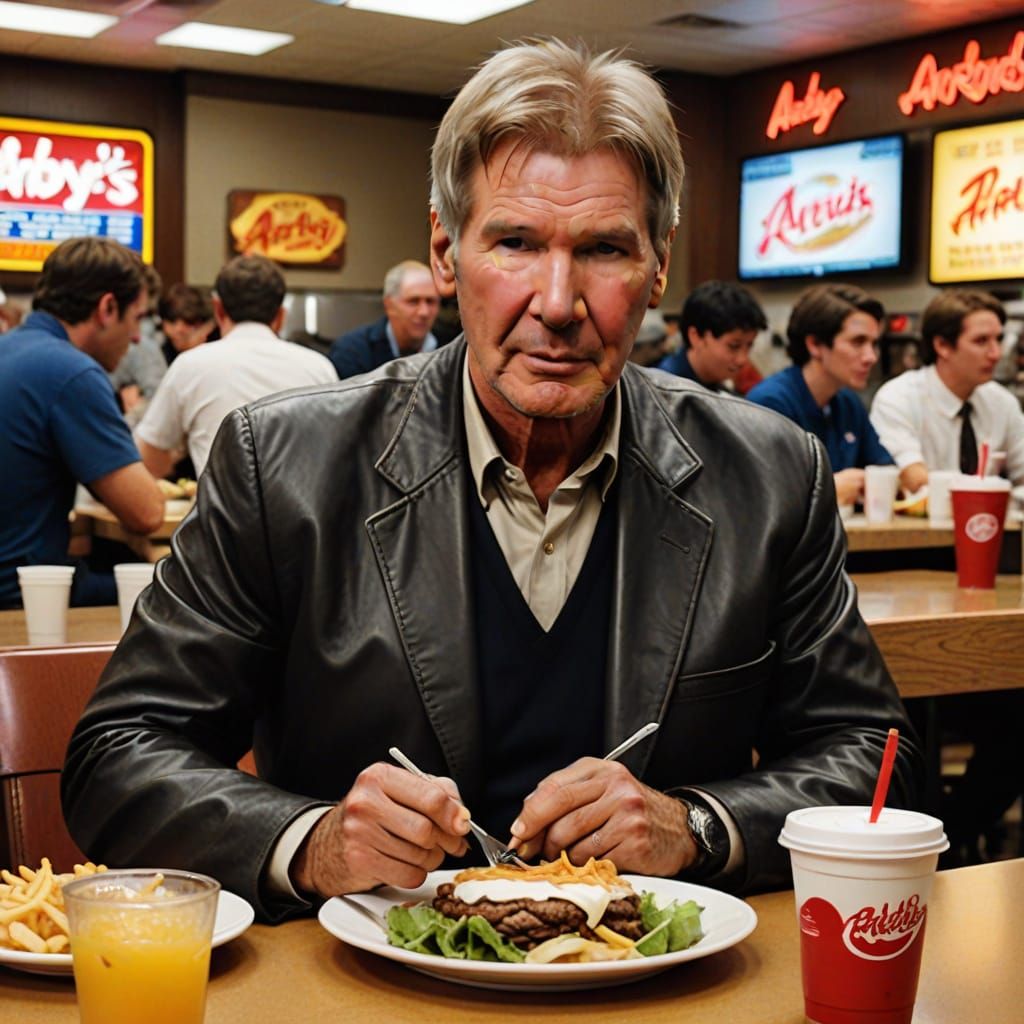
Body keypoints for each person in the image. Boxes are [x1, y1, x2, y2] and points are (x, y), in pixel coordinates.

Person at [63, 40, 921, 923]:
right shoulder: (284, 465)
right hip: (358, 996)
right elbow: (119, 756)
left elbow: (870, 753)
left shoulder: (770, 473)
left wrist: (697, 824)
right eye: (514, 241)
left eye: (603, 250)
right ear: (445, 251)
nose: (556, 300)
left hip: (664, 993)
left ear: (658, 264)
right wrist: (315, 840)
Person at [0, 237, 165, 608]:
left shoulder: (11, 349)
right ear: (107, 308)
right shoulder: (70, 372)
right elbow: (147, 513)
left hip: (19, 580)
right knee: (178, 589)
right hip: (19, 599)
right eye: (136, 317)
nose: (138, 337)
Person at [134, 255, 337, 479]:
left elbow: (150, 456)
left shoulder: (191, 365)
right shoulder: (319, 368)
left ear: (218, 310)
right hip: (303, 513)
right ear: (280, 316)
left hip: (221, 513)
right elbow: (335, 456)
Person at [748, 284, 898, 508]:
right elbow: (763, 498)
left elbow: (886, 470)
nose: (871, 357)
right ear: (815, 345)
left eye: (874, 344)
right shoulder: (770, 403)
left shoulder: (847, 402)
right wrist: (830, 488)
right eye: (858, 342)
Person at [870, 290, 1024, 491]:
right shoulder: (898, 398)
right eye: (981, 341)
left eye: (999, 339)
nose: (996, 353)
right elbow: (913, 480)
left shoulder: (1001, 402)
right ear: (942, 345)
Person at [328, 260, 440, 378]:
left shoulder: (452, 349)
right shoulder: (351, 352)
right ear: (389, 305)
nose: (424, 312)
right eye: (413, 301)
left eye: (431, 301)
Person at [658, 280, 766, 391]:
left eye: (749, 346)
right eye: (733, 346)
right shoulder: (666, 390)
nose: (743, 359)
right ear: (696, 337)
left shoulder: (715, 382)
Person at [157, 282, 216, 368]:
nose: (179, 329)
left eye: (188, 322)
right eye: (172, 321)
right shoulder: (161, 353)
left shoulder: (214, 346)